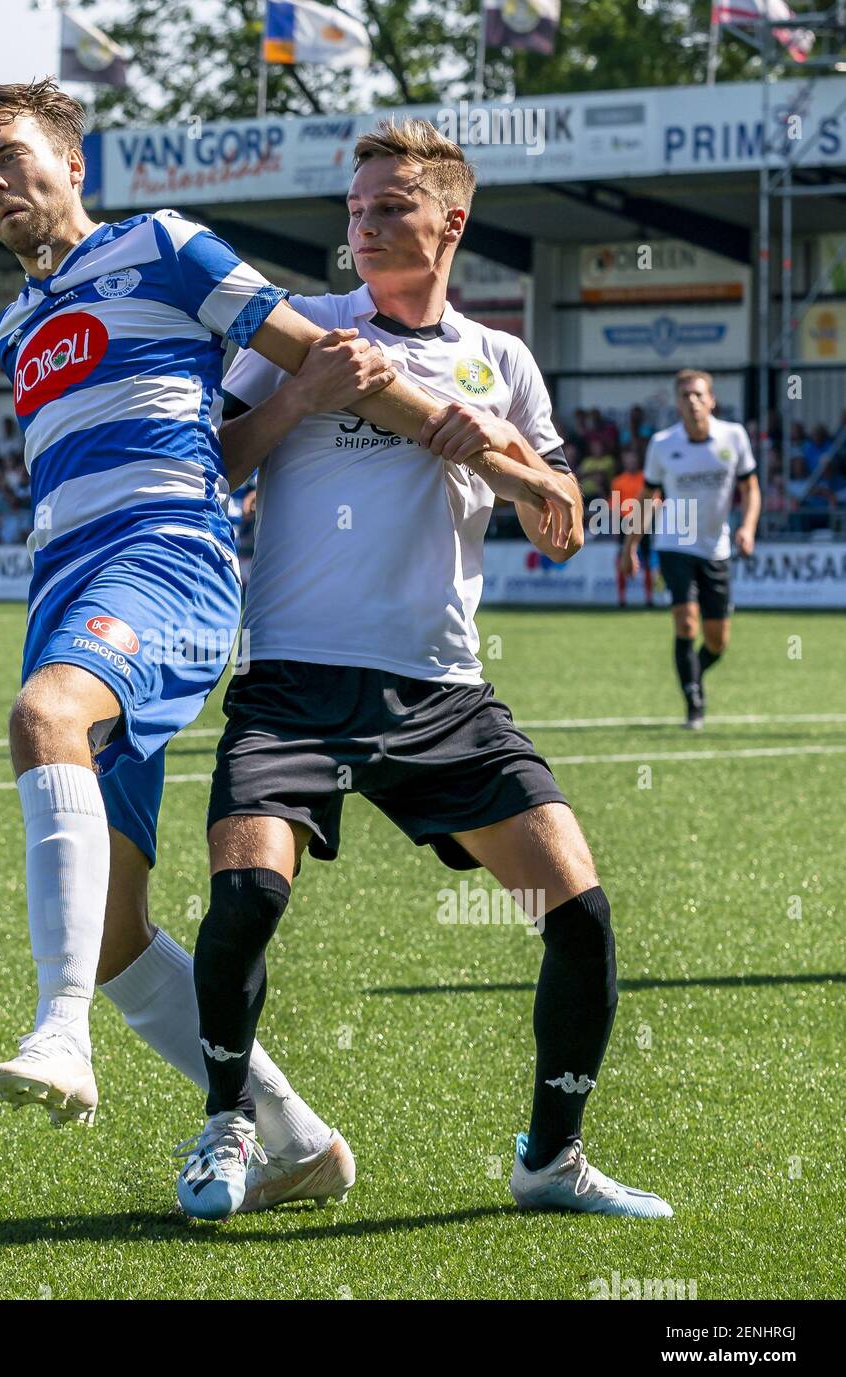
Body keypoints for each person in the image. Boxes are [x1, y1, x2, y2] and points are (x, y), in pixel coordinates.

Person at [0, 80, 578, 1214]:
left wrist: (513, 472)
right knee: (114, 936)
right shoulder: (15, 322)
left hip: (167, 563)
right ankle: (293, 1139)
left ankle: (59, 1036)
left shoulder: (167, 247)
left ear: (72, 163)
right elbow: (286, 397)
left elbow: (333, 362)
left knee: (43, 718)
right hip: (64, 587)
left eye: (9, 158)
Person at [176, 117, 671, 1223]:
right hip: (295, 680)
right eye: (354, 207)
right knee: (247, 894)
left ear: (451, 221)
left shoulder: (500, 363)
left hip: (443, 694)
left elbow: (565, 525)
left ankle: (551, 1157)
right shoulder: (303, 334)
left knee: (579, 917)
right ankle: (226, 1127)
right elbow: (208, 465)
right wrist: (302, 398)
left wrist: (494, 460)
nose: (363, 224)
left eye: (390, 205)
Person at [620, 369, 761, 730]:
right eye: (685, 395)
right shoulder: (663, 444)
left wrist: (747, 527)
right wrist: (630, 547)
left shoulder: (734, 436)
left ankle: (693, 675)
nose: (693, 401)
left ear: (711, 400)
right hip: (674, 542)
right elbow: (648, 498)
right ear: (677, 403)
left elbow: (752, 490)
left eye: (699, 394)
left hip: (717, 547)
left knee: (717, 641)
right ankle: (693, 704)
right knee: (686, 623)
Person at [611, 451, 653, 607]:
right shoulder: (618, 481)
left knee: (647, 561)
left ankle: (649, 598)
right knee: (622, 560)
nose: (631, 463)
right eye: (627, 460)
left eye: (633, 459)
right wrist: (616, 528)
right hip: (624, 523)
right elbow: (615, 506)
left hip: (644, 523)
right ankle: (622, 598)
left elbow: (655, 500)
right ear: (624, 462)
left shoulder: (646, 478)